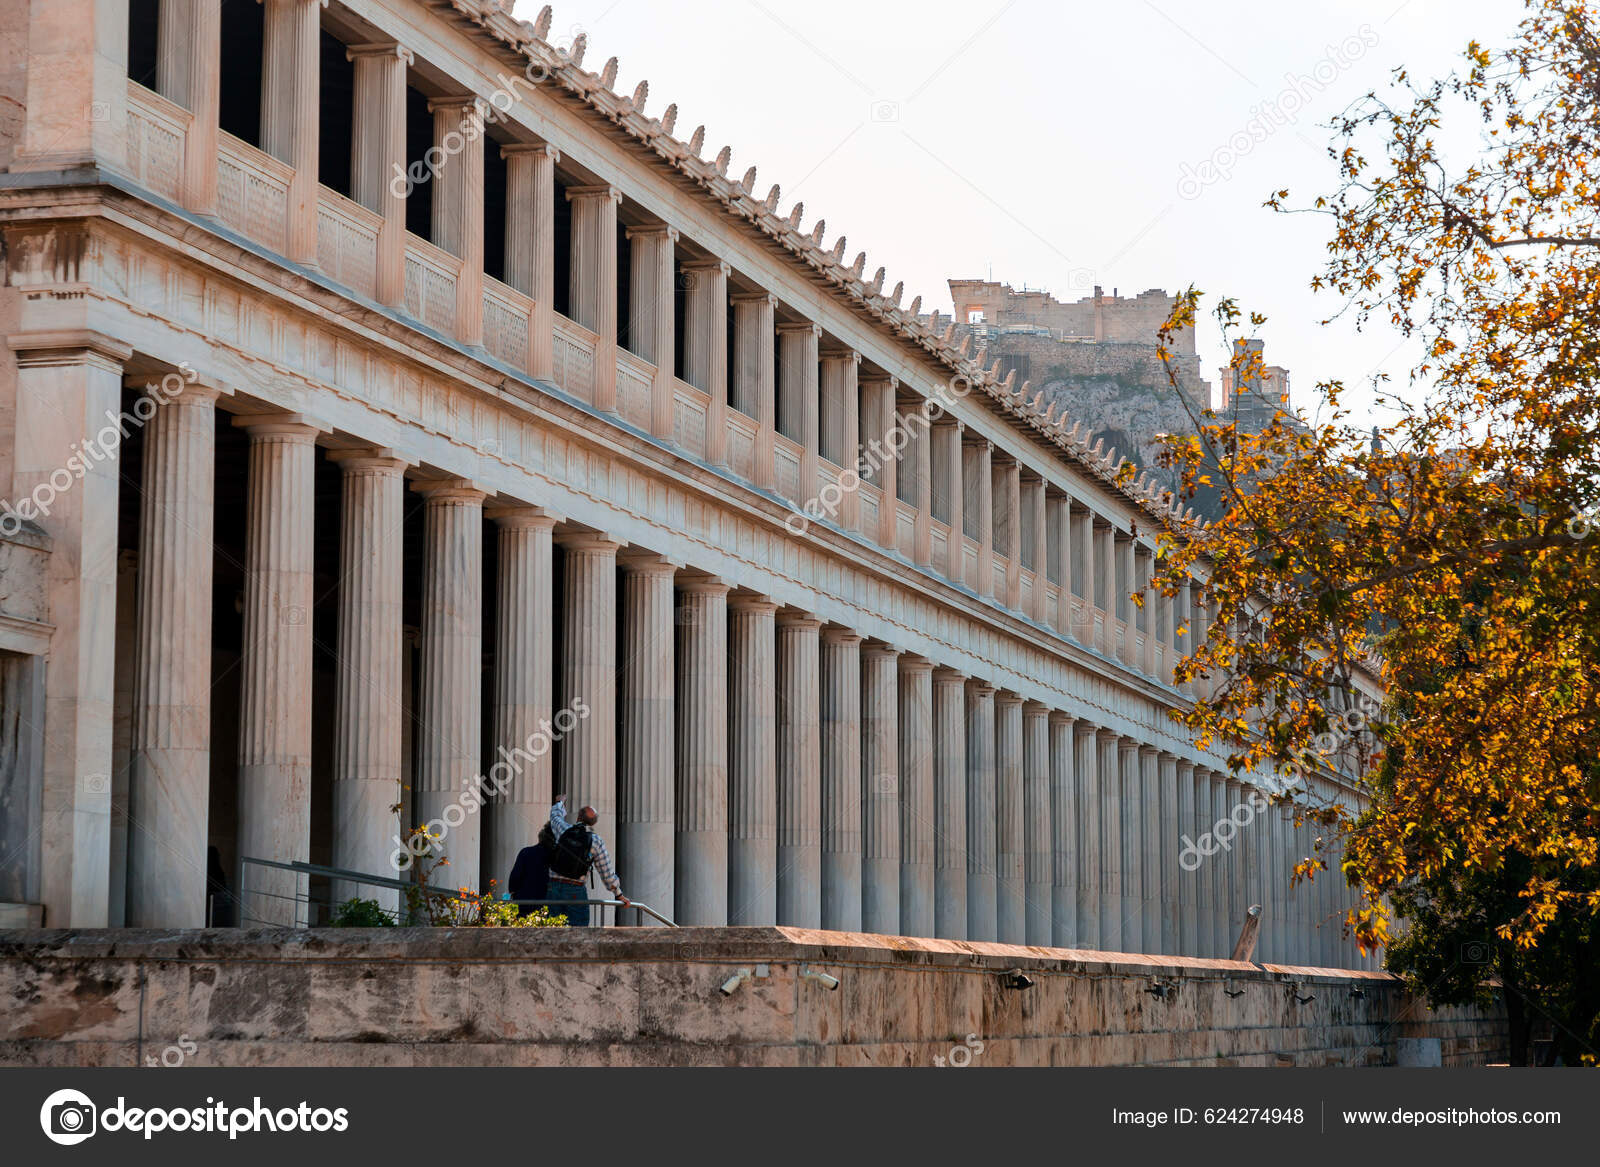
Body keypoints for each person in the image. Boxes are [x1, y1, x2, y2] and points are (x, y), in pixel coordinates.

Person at [547, 793, 630, 927]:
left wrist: (560, 803)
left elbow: (555, 816)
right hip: (575, 889)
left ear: (578, 817)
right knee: (579, 932)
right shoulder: (595, 841)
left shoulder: (563, 830)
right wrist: (618, 894)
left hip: (553, 887)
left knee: (552, 929)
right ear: (594, 822)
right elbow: (607, 873)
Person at [506, 823, 555, 916]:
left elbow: (514, 880)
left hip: (524, 902)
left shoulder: (525, 852)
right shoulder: (555, 857)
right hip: (546, 905)